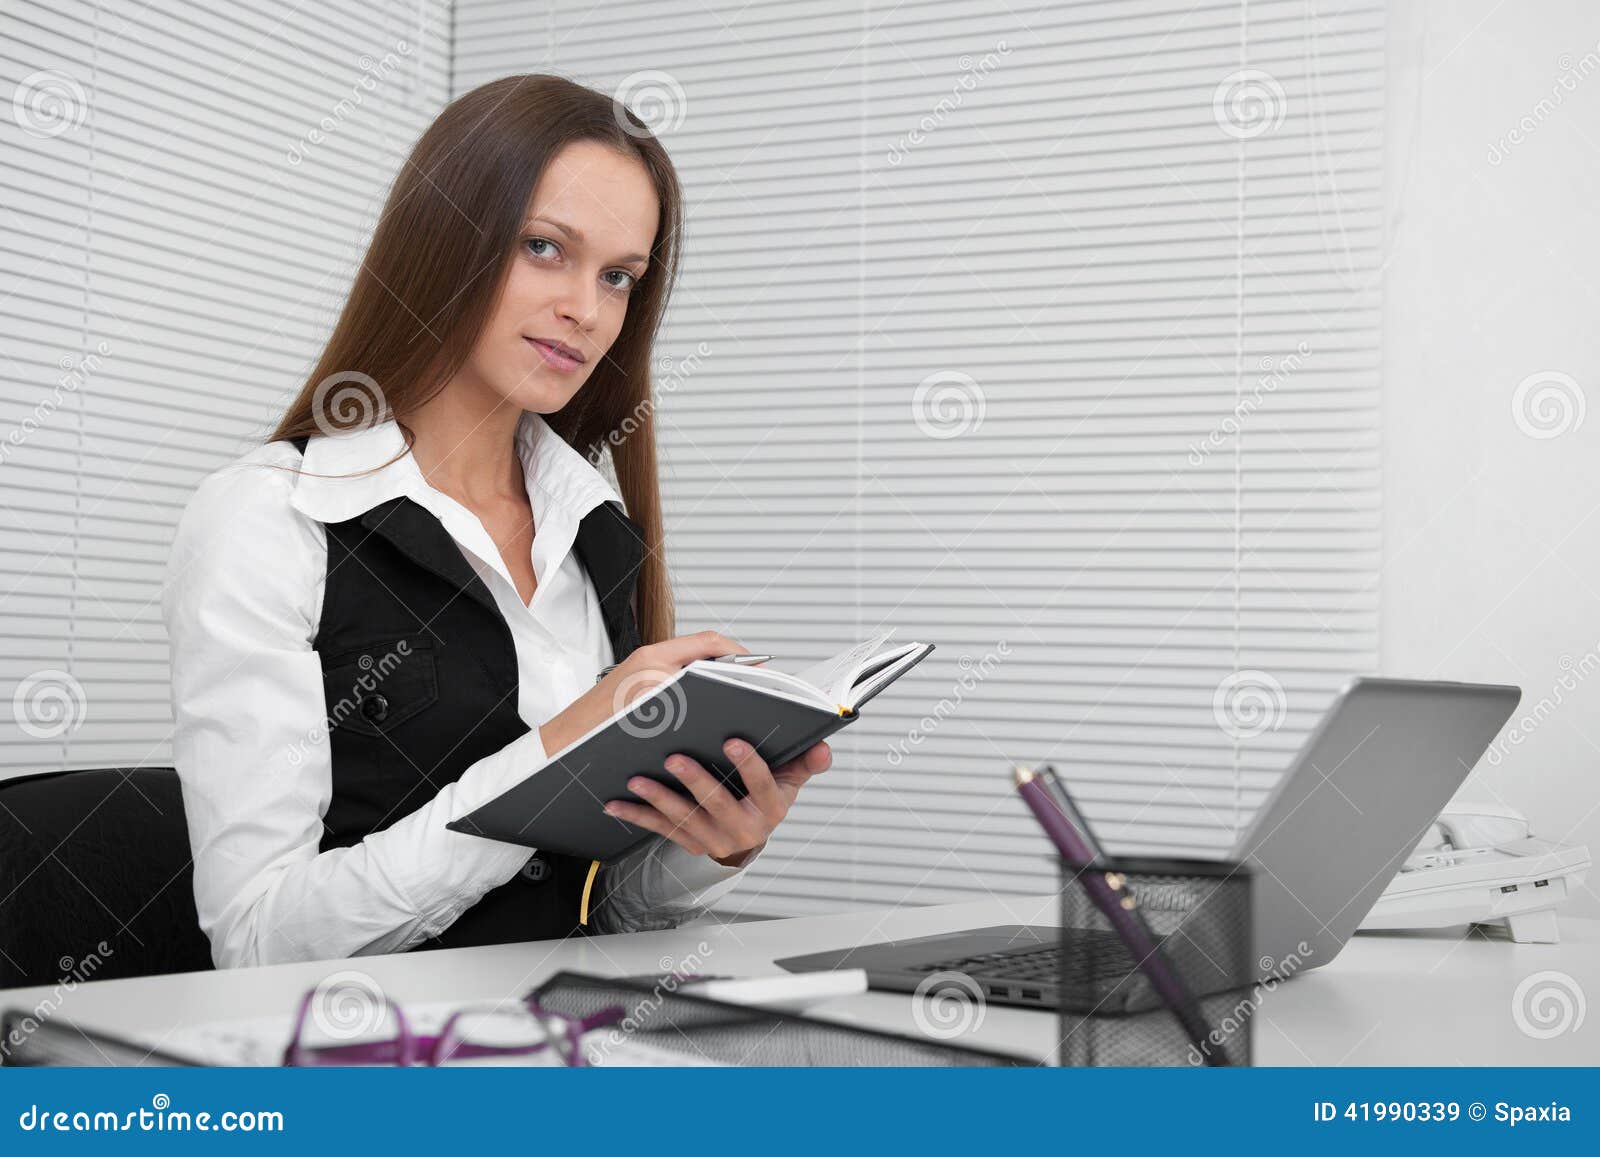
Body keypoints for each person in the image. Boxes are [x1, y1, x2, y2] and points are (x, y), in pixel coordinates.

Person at [162, 75, 831, 969]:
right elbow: (258, 942)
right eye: (544, 247)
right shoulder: (269, 517)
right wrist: (552, 759)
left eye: (619, 277)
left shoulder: (593, 527)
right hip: (375, 1043)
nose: (587, 311)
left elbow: (597, 908)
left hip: (565, 1030)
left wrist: (709, 843)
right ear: (444, 240)